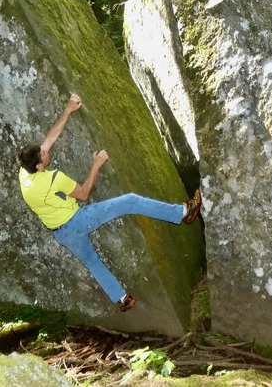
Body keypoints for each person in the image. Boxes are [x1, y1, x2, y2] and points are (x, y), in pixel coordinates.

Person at [16, 93, 201, 312]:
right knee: (130, 201)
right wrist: (96, 164)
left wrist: (68, 110)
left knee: (93, 261)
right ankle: (182, 212)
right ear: (39, 165)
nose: (46, 150)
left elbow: (49, 139)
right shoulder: (52, 178)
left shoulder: (24, 173)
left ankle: (121, 299)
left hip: (61, 233)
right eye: (43, 154)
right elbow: (84, 194)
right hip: (77, 221)